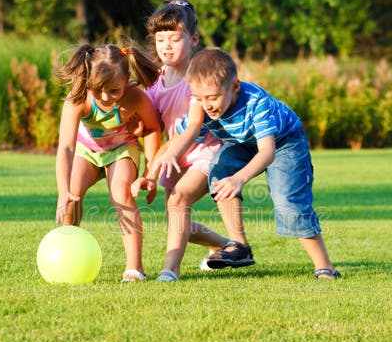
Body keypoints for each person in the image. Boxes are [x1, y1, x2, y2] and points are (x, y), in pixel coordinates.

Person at [143, 47, 341, 280]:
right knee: (219, 171)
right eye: (199, 98)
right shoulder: (201, 105)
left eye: (213, 97)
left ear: (234, 86)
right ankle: (240, 247)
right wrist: (164, 160)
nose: (206, 105)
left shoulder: (256, 101)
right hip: (243, 143)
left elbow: (267, 152)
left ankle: (325, 267)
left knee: (289, 204)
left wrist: (239, 178)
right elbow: (187, 132)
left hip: (285, 142)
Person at [131, 0, 229, 282]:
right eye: (161, 39)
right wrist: (149, 171)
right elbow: (150, 127)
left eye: (175, 38)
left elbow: (192, 127)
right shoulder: (155, 80)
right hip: (173, 154)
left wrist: (168, 155)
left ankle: (170, 270)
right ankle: (225, 246)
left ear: (194, 39)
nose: (167, 46)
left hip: (205, 152)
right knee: (175, 215)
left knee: (178, 202)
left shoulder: (197, 78)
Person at [54, 43, 162, 282]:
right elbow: (66, 147)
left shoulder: (135, 98)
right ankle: (69, 256)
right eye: (98, 89)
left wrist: (150, 172)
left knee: (121, 194)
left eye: (113, 90)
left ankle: (135, 268)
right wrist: (63, 192)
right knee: (72, 196)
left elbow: (154, 128)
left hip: (122, 149)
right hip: (88, 150)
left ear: (126, 79)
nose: (104, 97)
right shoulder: (78, 97)